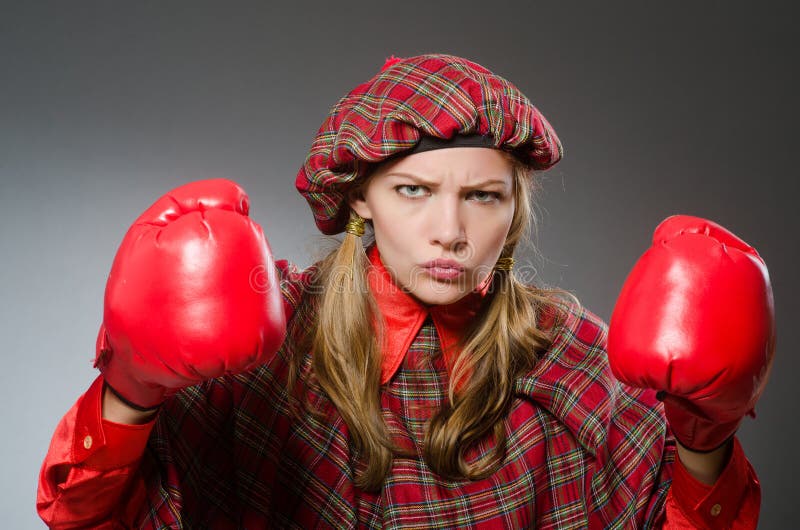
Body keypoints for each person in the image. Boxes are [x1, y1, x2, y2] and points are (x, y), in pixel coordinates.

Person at [37, 54, 773, 529]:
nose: (448, 231)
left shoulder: (573, 355)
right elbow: (86, 517)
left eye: (484, 197)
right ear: (360, 199)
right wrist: (130, 391)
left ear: (515, 211)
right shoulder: (270, 339)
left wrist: (707, 439)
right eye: (414, 191)